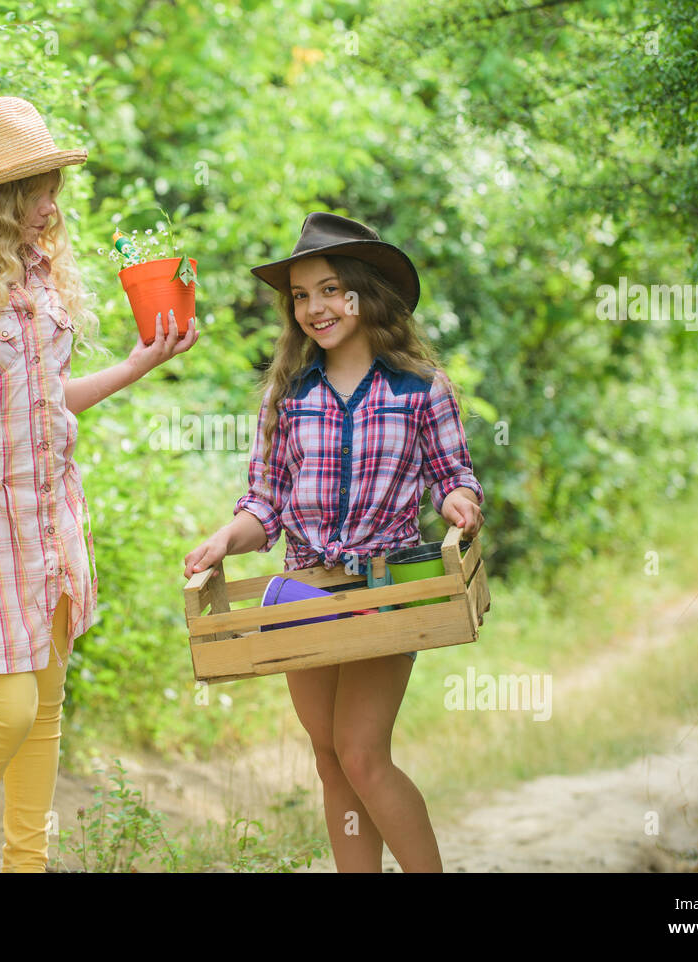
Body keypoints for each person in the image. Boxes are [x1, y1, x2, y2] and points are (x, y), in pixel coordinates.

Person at [0, 97, 198, 873]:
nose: (51, 205)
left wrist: (136, 363)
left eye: (52, 185)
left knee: (47, 709)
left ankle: (28, 864)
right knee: (9, 708)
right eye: (38, 189)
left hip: (52, 511)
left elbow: (51, 397)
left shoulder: (41, 281)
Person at [182, 212, 484, 873]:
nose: (313, 307)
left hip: (388, 585)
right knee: (329, 758)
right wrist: (222, 541)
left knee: (363, 752)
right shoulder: (286, 397)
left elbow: (452, 477)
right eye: (299, 295)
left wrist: (459, 502)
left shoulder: (421, 391)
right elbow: (264, 506)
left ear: (365, 293)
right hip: (303, 590)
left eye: (328, 289)